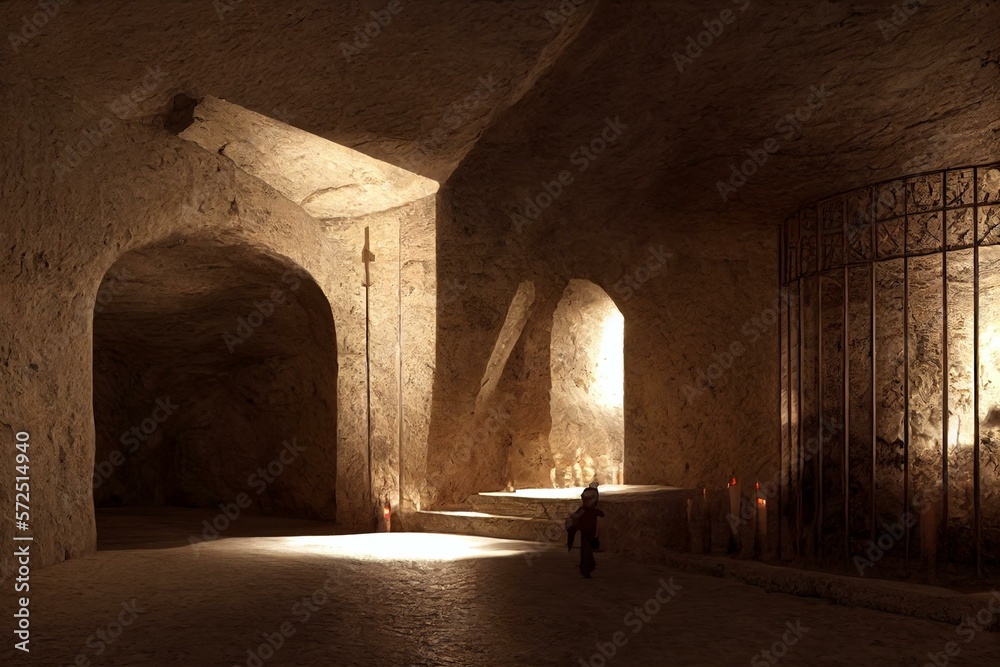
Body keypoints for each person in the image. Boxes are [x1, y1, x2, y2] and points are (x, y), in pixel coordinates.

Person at [565, 486, 604, 578]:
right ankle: (585, 569)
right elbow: (575, 517)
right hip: (586, 534)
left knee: (587, 552)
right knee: (586, 552)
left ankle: (586, 568)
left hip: (590, 533)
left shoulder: (593, 511)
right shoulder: (585, 510)